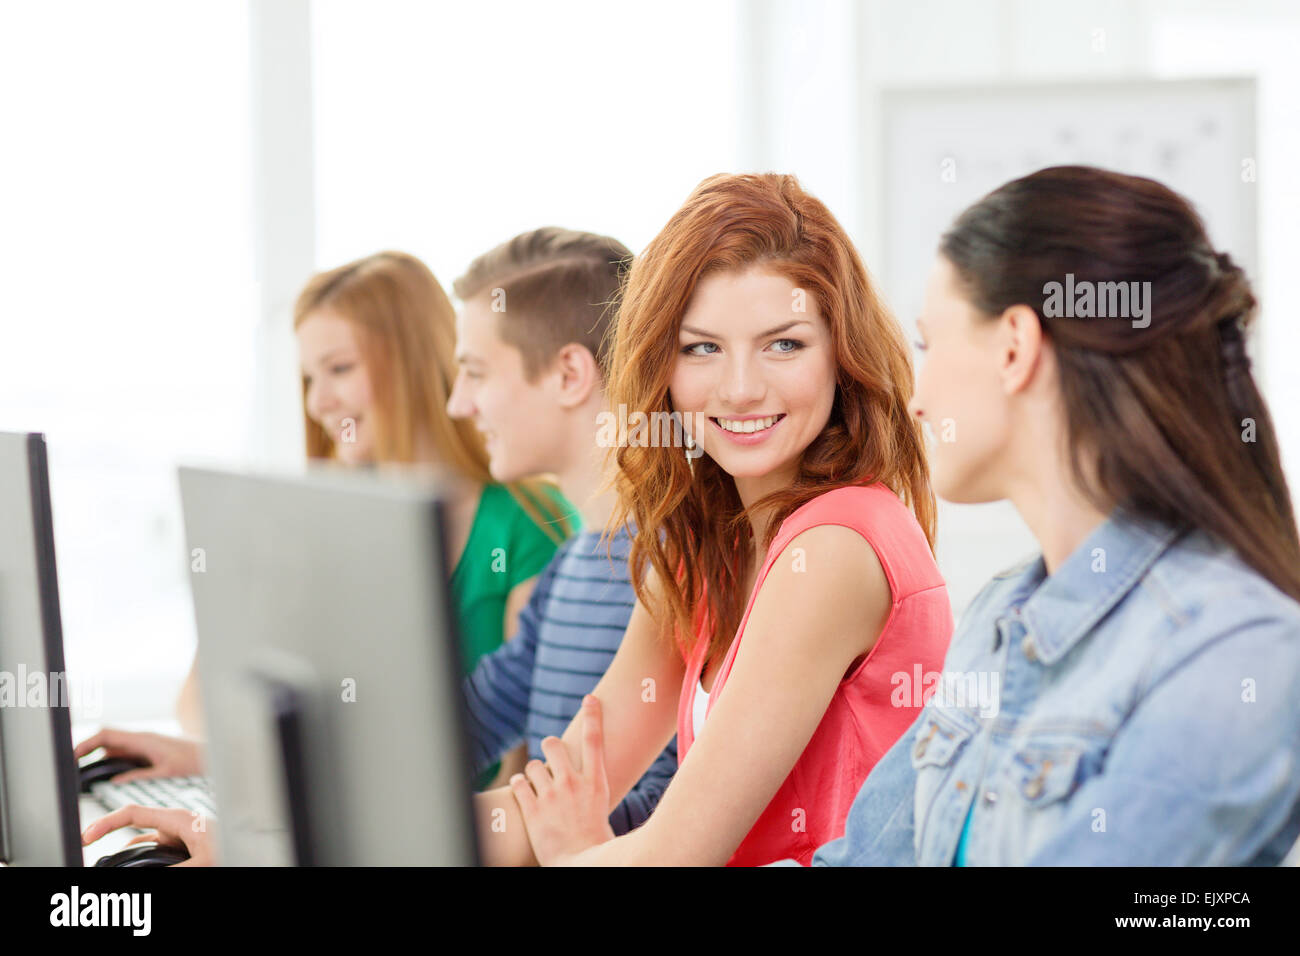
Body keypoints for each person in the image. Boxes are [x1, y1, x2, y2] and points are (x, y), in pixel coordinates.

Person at [804, 165, 1300, 865]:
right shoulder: (998, 616)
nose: (915, 400)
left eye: (928, 344)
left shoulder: (1237, 649)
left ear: (1014, 348)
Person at [475, 173, 953, 866]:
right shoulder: (706, 549)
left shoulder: (833, 550)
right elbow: (562, 789)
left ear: (842, 356)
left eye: (784, 344)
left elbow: (672, 856)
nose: (739, 388)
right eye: (702, 347)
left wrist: (575, 850)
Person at [78, 251, 573, 804]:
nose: (317, 402)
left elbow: (524, 777)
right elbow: (203, 693)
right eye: (309, 378)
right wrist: (215, 763)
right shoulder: (314, 520)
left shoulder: (528, 525)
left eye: (340, 370)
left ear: (412, 361)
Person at [448, 226, 678, 836]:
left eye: (475, 373)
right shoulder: (572, 562)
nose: (458, 404)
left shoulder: (675, 571)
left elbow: (669, 810)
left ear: (570, 374)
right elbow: (466, 723)